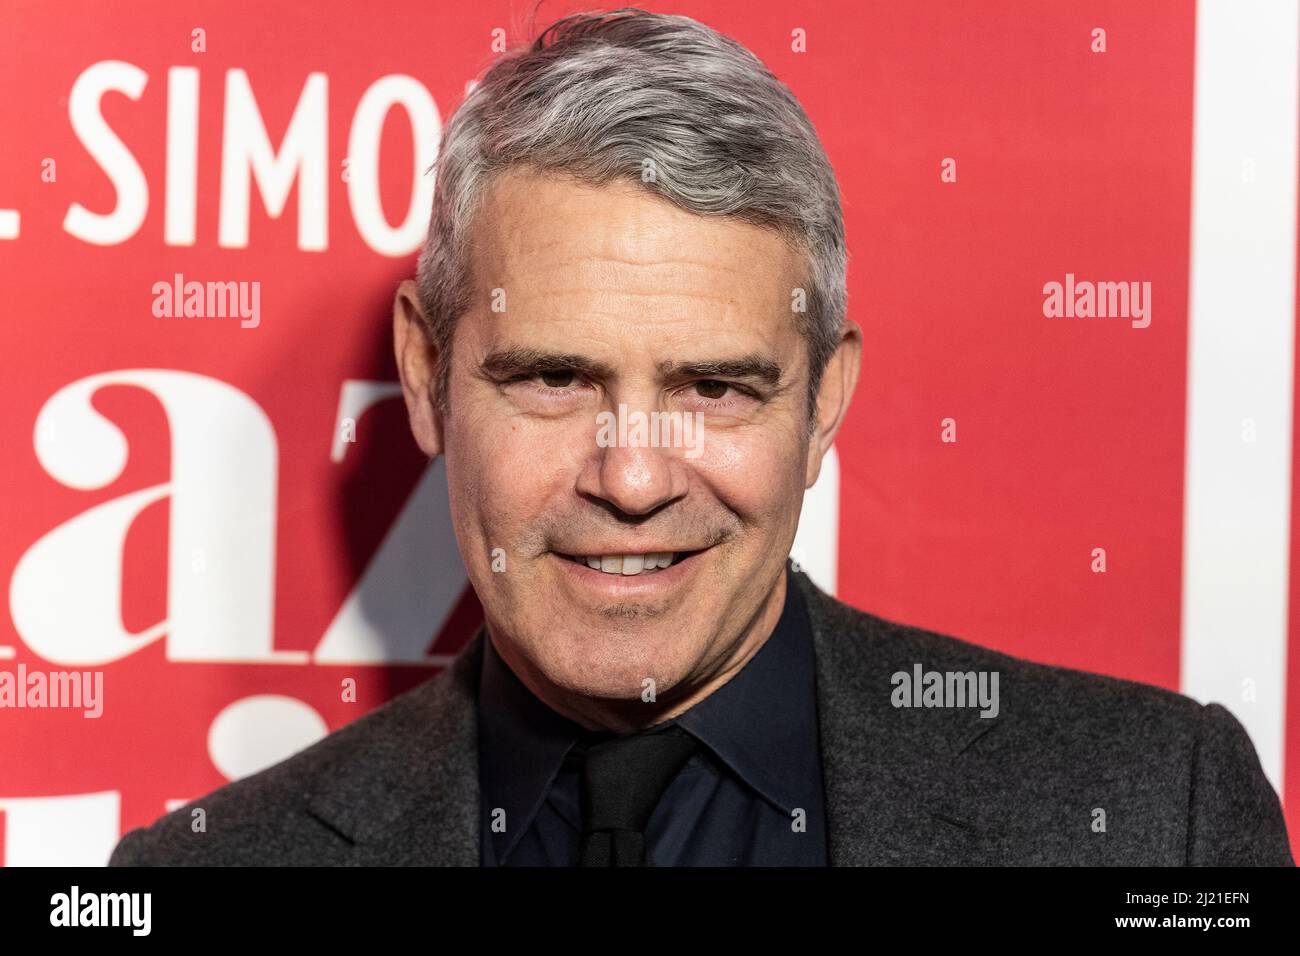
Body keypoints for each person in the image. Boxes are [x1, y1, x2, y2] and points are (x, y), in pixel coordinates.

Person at [110, 7, 1292, 867]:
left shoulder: (1151, 817)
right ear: (427, 374)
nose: (632, 475)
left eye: (718, 389)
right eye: (555, 379)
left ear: (824, 400)